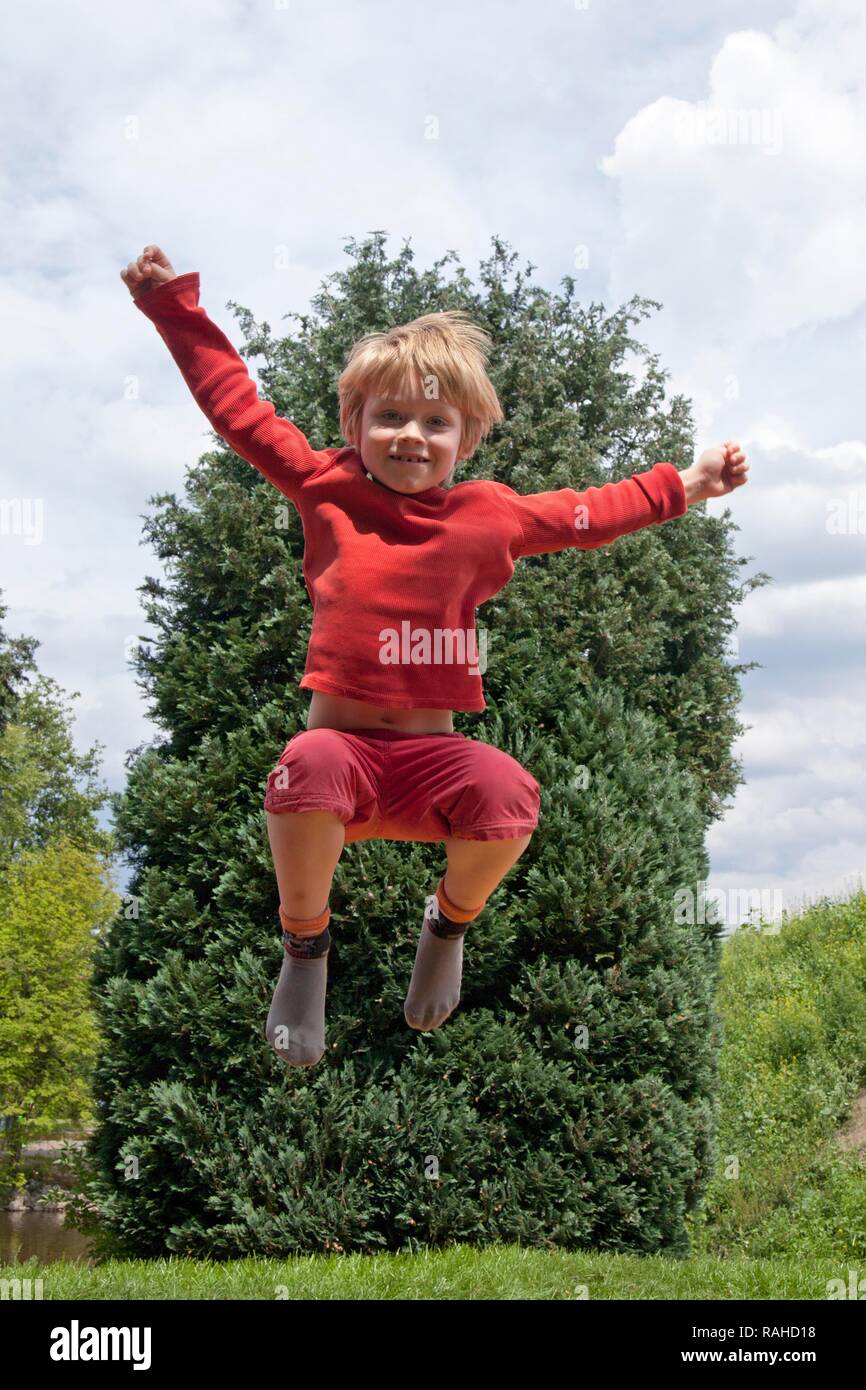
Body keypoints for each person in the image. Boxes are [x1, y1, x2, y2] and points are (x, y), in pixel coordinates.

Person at [121, 245, 749, 1069]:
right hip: (342, 758)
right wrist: (174, 307)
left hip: (427, 765)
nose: (409, 435)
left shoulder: (492, 517)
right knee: (303, 766)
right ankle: (306, 948)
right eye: (388, 417)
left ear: (466, 438)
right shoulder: (324, 486)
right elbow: (238, 411)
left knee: (509, 792)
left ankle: (446, 925)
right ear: (354, 426)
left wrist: (687, 485)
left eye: (434, 422)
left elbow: (591, 512)